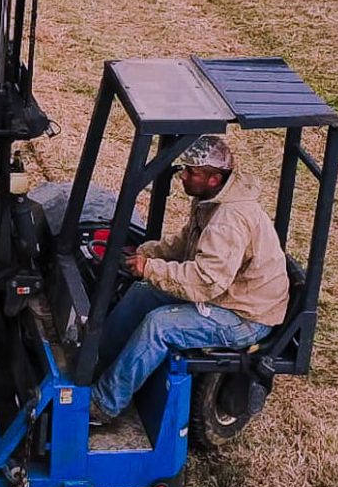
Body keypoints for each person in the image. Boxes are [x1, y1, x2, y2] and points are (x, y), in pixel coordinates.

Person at [89, 134, 289, 424]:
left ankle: (104, 404)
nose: (183, 176)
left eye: (191, 172)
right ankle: (96, 360)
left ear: (213, 178)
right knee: (143, 292)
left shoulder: (229, 221)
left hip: (245, 315)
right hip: (228, 293)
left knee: (159, 325)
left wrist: (152, 268)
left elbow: (207, 281)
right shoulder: (210, 201)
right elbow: (185, 243)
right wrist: (145, 254)